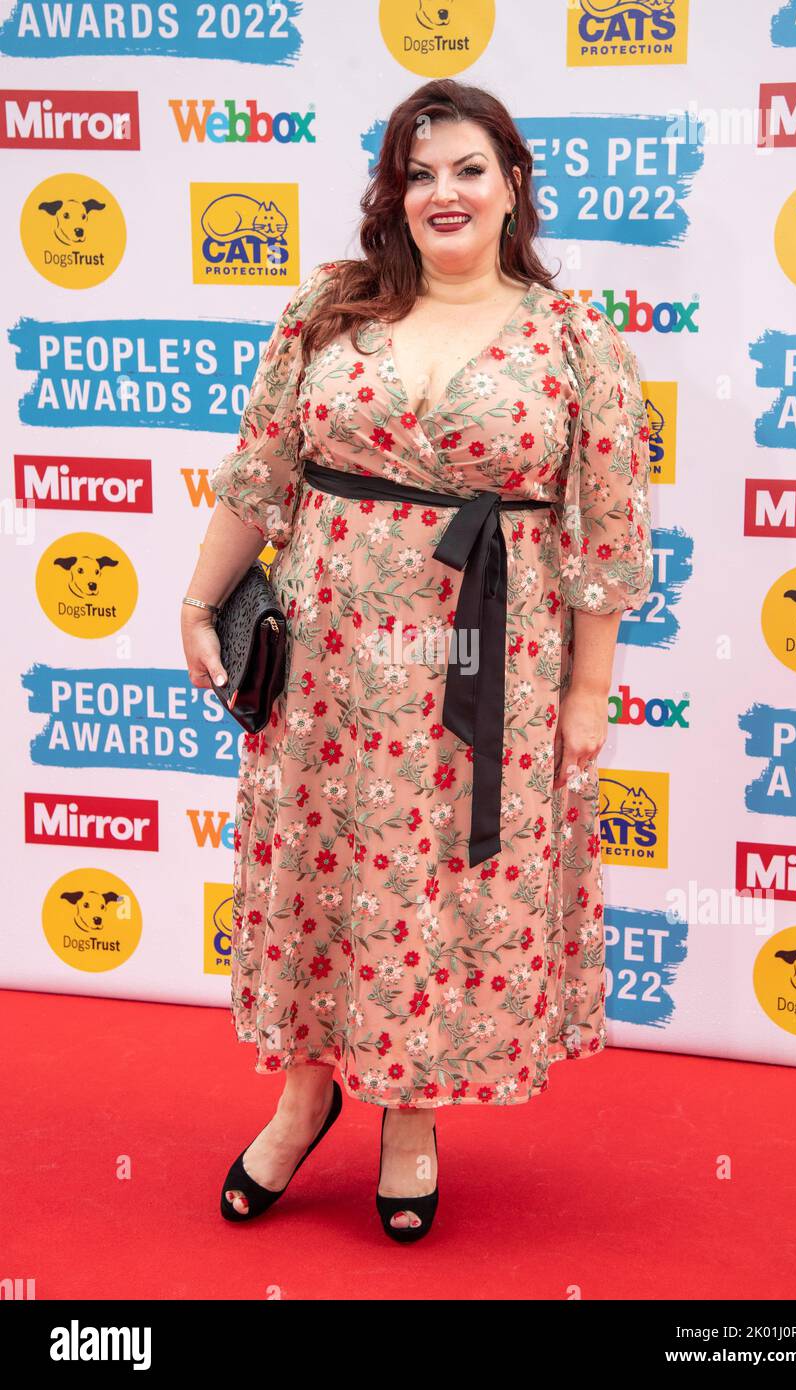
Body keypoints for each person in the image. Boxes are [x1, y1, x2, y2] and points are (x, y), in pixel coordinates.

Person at [181, 77, 653, 1242]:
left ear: (512, 188)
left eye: (467, 169)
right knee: (326, 877)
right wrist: (197, 598)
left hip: (489, 676)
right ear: (392, 192)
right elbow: (259, 474)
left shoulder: (574, 340)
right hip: (331, 669)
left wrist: (588, 696)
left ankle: (407, 1113)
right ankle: (302, 1099)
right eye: (418, 170)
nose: (442, 192)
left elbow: (605, 536)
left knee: (441, 895)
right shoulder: (329, 312)